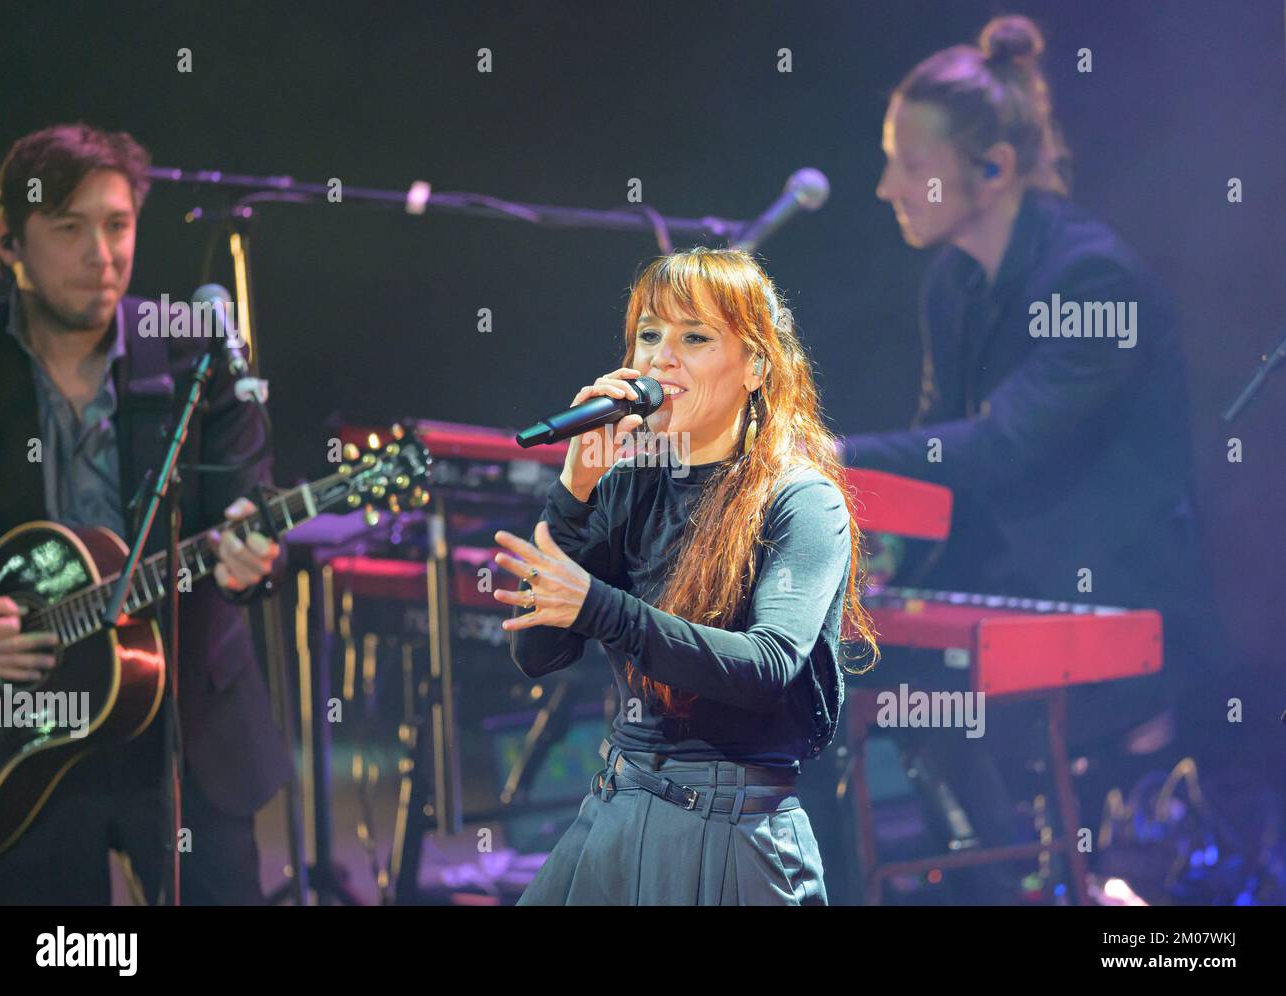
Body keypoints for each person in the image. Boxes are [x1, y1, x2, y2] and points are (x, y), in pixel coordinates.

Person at [824, 15, 1209, 901]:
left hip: (1103, 608)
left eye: (910, 164)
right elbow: (932, 453)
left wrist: (818, 452)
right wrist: (864, 546)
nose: (887, 186)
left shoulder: (1093, 280)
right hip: (1003, 586)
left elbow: (1002, 450)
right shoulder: (954, 282)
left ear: (992, 169)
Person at [492, 248, 878, 905]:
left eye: (694, 337)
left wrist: (600, 607)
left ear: (756, 366)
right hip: (618, 804)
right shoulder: (631, 484)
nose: (660, 358)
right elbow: (537, 651)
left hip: (732, 829)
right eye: (649, 335)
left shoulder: (801, 500)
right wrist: (574, 488)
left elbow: (766, 666)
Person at [0, 123, 292, 904]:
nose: (103, 253)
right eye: (68, 228)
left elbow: (246, 501)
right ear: (7, 240)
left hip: (188, 725)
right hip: (21, 736)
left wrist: (251, 553)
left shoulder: (194, 348)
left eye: (118, 225)